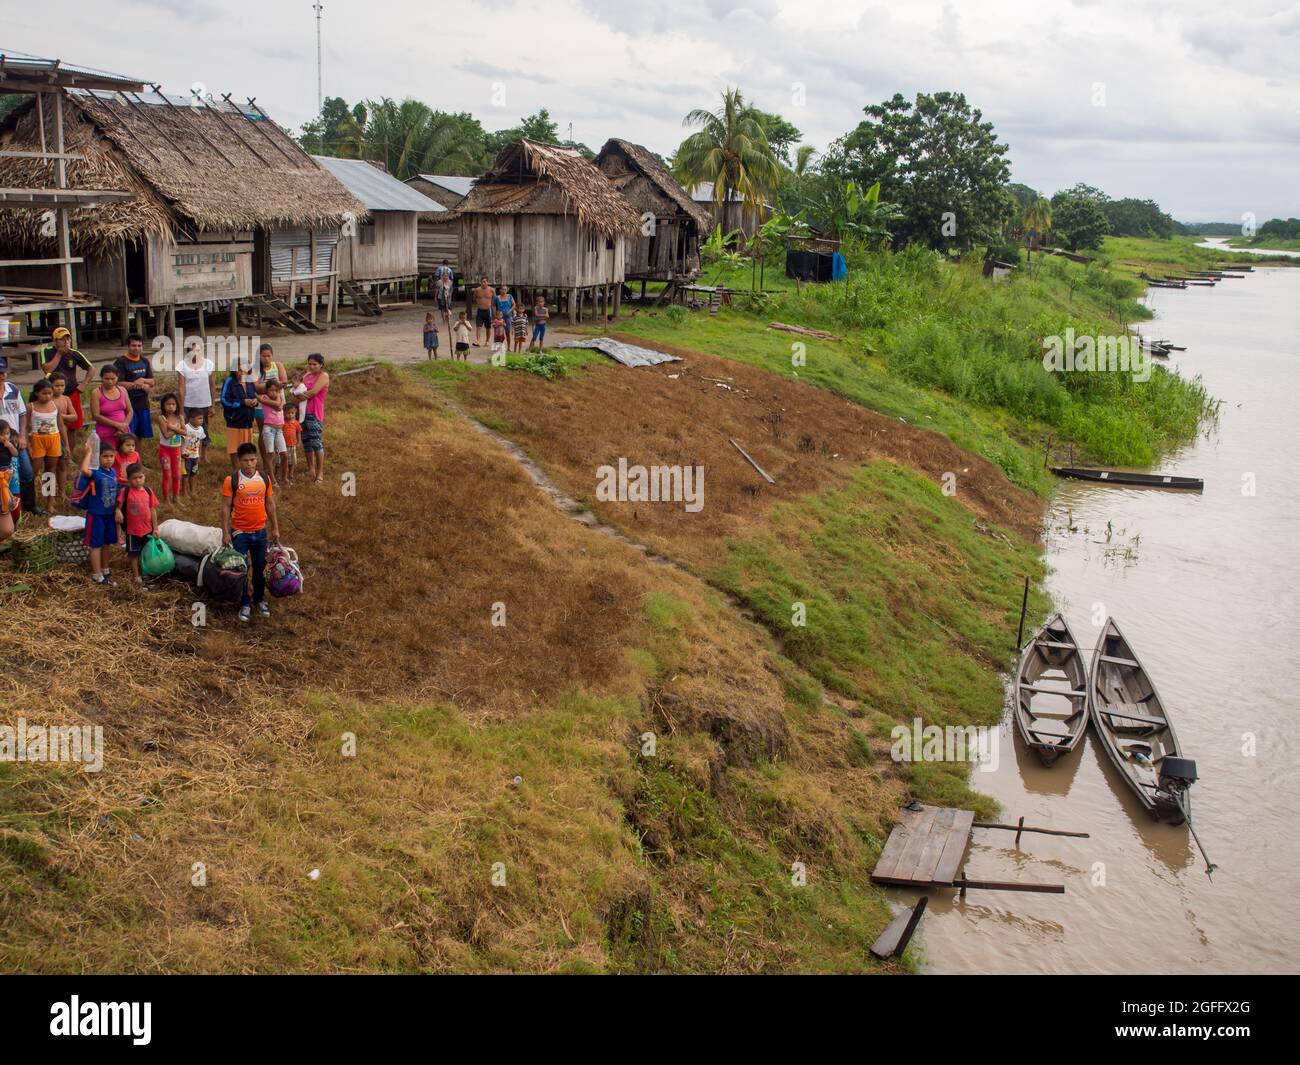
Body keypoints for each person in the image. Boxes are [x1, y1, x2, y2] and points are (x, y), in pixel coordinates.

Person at [220, 441, 280, 622]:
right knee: (242, 569)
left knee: (260, 568)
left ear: (257, 459)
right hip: (240, 533)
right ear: (239, 461)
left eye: (253, 460)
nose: (250, 464)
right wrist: (225, 532)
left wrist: (275, 527)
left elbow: (269, 503)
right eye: (246, 461)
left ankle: (259, 599)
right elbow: (225, 507)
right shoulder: (232, 480)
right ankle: (245, 603)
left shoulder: (264, 478)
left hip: (260, 532)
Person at [75, 437, 119, 585]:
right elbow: (83, 470)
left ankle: (105, 568)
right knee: (96, 544)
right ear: (98, 457)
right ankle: (96, 573)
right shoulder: (95, 472)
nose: (109, 459)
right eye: (105, 456)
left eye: (111, 456)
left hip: (109, 515)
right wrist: (89, 451)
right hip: (97, 515)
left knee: (107, 543)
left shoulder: (113, 472)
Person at [39, 326, 94, 439]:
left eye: (68, 339)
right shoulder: (47, 351)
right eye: (62, 339)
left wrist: (84, 384)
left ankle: (69, 454)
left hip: (72, 392)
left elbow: (91, 368)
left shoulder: (74, 353)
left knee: (73, 428)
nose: (66, 342)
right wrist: (59, 354)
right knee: (52, 426)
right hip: (52, 395)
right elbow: (47, 369)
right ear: (55, 341)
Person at [0, 356, 36, 517]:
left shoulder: (12, 389)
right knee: (6, 476)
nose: (2, 375)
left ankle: (29, 506)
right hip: (1, 442)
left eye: (3, 372)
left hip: (15, 439)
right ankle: (9, 510)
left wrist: (23, 436)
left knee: (27, 471)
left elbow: (22, 414)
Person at [116, 461, 160, 588]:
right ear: (128, 479)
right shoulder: (125, 492)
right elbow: (119, 507)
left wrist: (155, 528)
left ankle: (146, 574)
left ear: (144, 477)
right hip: (132, 531)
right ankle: (137, 576)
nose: (138, 481)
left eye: (140, 477)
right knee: (134, 554)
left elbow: (153, 510)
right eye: (134, 478)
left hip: (147, 530)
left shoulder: (148, 491)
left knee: (146, 553)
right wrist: (118, 512)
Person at [24, 379, 63, 512]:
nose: (47, 396)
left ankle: (50, 503)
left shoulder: (55, 405)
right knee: (33, 473)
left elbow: (61, 425)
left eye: (50, 393)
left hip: (54, 440)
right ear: (36, 393)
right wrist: (28, 443)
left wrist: (66, 445)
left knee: (50, 471)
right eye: (44, 393)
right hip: (37, 441)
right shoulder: (31, 407)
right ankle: (29, 502)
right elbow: (25, 425)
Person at [176, 338, 214, 462]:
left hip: (204, 403)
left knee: (204, 428)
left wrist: (212, 404)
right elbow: (181, 387)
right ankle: (187, 454)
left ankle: (204, 455)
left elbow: (212, 385)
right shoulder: (182, 365)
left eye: (198, 350)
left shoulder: (208, 364)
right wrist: (181, 408)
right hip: (188, 403)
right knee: (186, 430)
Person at [113, 334, 155, 444]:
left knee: (140, 436)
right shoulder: (121, 362)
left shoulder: (145, 361)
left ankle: (137, 459)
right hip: (127, 405)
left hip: (142, 404)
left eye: (139, 345)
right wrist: (137, 385)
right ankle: (126, 460)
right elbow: (117, 383)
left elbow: (152, 381)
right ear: (128, 346)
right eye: (133, 345)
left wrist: (142, 380)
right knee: (127, 436)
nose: (136, 348)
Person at [220, 363, 258, 473]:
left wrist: (254, 401)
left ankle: (247, 470)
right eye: (238, 368)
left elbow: (253, 395)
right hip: (234, 419)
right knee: (234, 447)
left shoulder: (250, 381)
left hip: (248, 419)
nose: (241, 371)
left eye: (244, 368)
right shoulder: (230, 381)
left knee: (247, 446)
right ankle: (236, 471)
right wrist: (242, 402)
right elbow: (224, 400)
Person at [299, 353, 330, 485]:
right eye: (310, 364)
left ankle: (320, 473)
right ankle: (311, 469)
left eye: (314, 364)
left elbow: (313, 392)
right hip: (302, 413)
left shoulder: (323, 376)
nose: (311, 366)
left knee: (316, 442)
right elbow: (297, 387)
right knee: (306, 442)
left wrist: (297, 395)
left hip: (314, 412)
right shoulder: (306, 375)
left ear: (321, 365)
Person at [90, 364, 131, 456]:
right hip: (105, 433)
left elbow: (130, 411)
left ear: (118, 377)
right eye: (106, 379)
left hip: (123, 432)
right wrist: (116, 425)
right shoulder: (96, 393)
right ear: (101, 378)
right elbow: (96, 415)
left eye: (113, 379)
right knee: (108, 459)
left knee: (124, 458)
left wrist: (124, 425)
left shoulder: (123, 390)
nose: (110, 382)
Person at [50, 376, 76, 503]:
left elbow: (74, 416)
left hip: (62, 435)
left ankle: (62, 492)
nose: (60, 389)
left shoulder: (66, 399)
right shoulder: (47, 400)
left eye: (62, 386)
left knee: (62, 465)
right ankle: (49, 496)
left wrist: (61, 416)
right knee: (50, 467)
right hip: (49, 436)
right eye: (56, 386)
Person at [156, 392, 185, 503]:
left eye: (173, 404)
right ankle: (166, 498)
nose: (171, 407)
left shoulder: (180, 417)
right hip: (165, 450)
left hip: (176, 450)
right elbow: (166, 435)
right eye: (168, 404)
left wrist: (172, 427)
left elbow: (185, 432)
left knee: (177, 475)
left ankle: (176, 497)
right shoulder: (161, 418)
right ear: (163, 405)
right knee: (167, 474)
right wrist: (178, 429)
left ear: (176, 405)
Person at [259, 379, 288, 488]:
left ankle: (284, 478)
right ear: (266, 391)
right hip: (269, 430)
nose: (274, 393)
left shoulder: (278, 397)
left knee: (284, 454)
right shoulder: (264, 398)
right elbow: (278, 406)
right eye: (271, 390)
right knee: (270, 454)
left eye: (276, 390)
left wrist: (278, 401)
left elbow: (279, 406)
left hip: (279, 430)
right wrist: (259, 398)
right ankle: (272, 479)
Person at [0, 421, 18, 544]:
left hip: (6, 477)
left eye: (7, 434)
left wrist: (10, 446)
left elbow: (15, 453)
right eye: (2, 434)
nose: (5, 437)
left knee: (8, 530)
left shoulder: (8, 445)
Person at [181, 409, 205, 497]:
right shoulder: (186, 427)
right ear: (191, 419)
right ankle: (184, 491)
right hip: (186, 456)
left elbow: (201, 441)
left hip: (195, 456)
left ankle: (192, 491)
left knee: (194, 473)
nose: (201, 420)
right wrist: (182, 452)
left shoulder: (201, 429)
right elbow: (182, 440)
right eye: (199, 418)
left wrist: (200, 454)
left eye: (202, 418)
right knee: (185, 474)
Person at [472, 276, 496, 346]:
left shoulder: (492, 290)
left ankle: (487, 341)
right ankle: (478, 341)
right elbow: (474, 298)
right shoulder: (477, 290)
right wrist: (479, 303)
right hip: (480, 310)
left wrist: (494, 312)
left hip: (488, 311)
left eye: (485, 281)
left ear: (487, 282)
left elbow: (495, 301)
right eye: (482, 282)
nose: (483, 283)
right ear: (480, 282)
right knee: (478, 326)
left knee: (488, 327)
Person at [282, 405, 300, 486]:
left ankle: (291, 473)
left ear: (295, 413)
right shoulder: (282, 422)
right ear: (284, 413)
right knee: (282, 460)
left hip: (292, 445)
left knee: (292, 460)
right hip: (283, 445)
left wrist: (299, 442)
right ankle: (280, 473)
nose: (290, 415)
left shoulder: (296, 423)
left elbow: (298, 432)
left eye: (292, 413)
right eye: (288, 413)